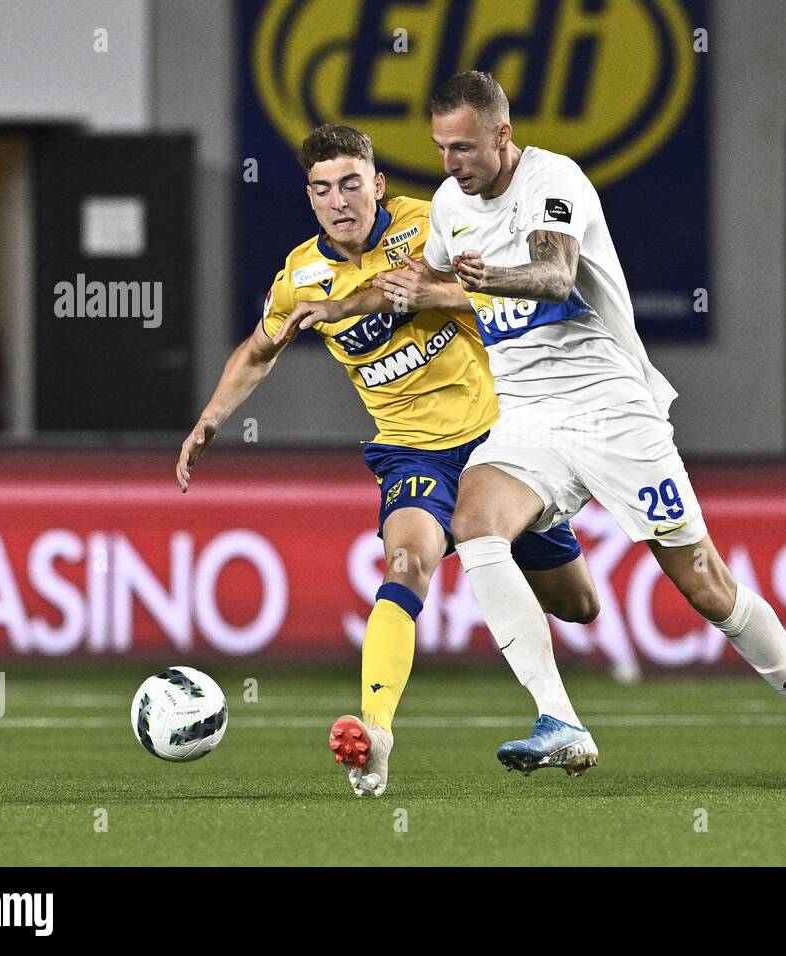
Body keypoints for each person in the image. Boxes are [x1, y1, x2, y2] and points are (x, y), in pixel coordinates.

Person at [423, 72, 786, 792]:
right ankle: (559, 720)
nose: (452, 163)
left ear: (502, 135)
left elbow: (553, 274)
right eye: (443, 148)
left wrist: (480, 281)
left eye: (466, 147)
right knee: (474, 521)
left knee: (703, 585)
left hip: (610, 407)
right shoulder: (449, 205)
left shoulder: (554, 179)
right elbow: (445, 285)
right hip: (527, 415)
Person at [176, 124, 599, 797]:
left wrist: (437, 292)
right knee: (406, 564)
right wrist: (211, 418)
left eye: (351, 183)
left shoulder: (430, 223)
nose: (339, 201)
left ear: (377, 183)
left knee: (579, 606)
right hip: (412, 453)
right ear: (310, 198)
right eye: (323, 189)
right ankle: (375, 735)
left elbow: (514, 292)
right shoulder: (300, 276)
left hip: (500, 443)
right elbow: (260, 349)